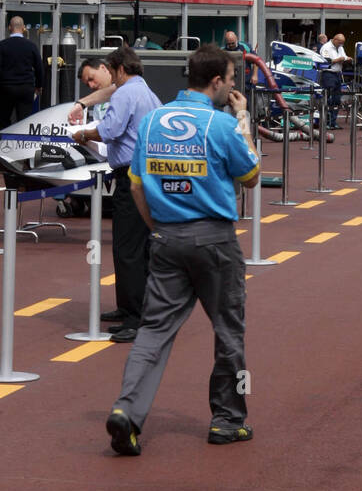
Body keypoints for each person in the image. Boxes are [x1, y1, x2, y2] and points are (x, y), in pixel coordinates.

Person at [105, 44, 260, 455]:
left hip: (167, 239)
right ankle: (227, 420)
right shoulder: (221, 124)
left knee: (154, 330)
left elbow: (136, 184)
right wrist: (242, 118)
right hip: (214, 240)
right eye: (230, 80)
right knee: (228, 329)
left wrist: (158, 228)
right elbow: (252, 175)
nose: (232, 87)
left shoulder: (153, 120)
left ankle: (127, 411)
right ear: (215, 82)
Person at [73, 47, 161, 342]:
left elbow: (109, 130)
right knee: (137, 245)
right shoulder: (147, 92)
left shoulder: (124, 94)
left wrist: (83, 134)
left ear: (119, 69)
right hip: (146, 173)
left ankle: (136, 317)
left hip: (131, 175)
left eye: (110, 72)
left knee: (129, 248)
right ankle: (130, 307)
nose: (109, 78)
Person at [0, 16, 43, 126]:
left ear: (9, 27)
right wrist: (38, 86)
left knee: (4, 119)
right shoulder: (31, 46)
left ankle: (5, 142)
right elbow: (39, 67)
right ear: (23, 28)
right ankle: (22, 142)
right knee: (24, 121)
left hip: (6, 88)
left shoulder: (1, 46)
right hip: (26, 88)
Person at [319, 32, 350, 130]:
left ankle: (333, 122)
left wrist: (346, 60)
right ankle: (326, 122)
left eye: (342, 43)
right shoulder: (326, 47)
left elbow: (343, 57)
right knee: (328, 98)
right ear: (335, 40)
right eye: (340, 43)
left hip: (337, 74)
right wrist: (338, 59)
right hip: (328, 74)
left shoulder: (340, 47)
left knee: (337, 99)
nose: (341, 45)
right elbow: (324, 62)